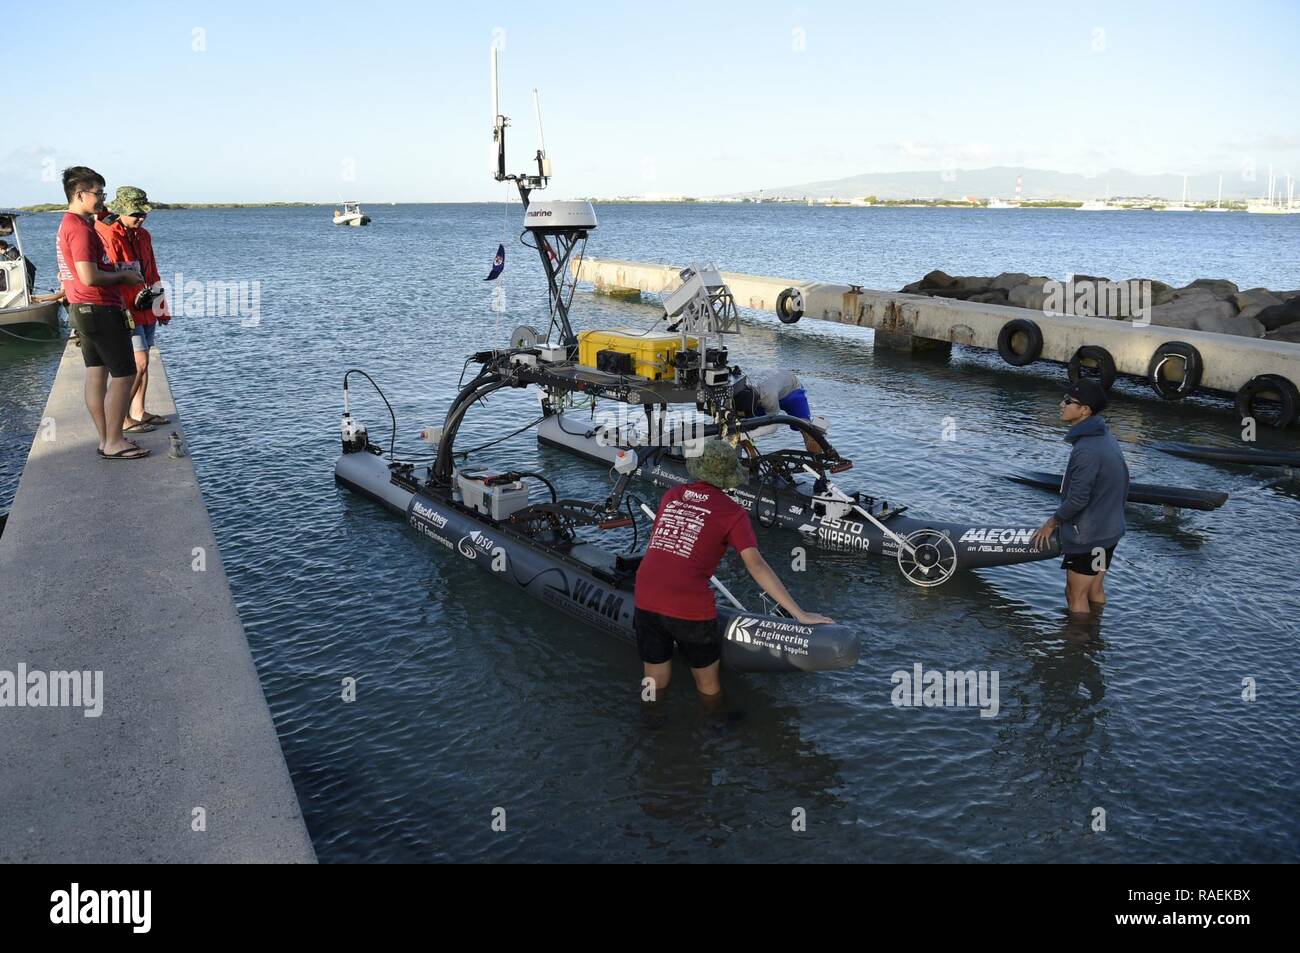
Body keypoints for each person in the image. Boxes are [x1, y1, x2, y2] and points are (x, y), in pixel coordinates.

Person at [634, 437, 833, 698]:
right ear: (729, 476)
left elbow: (664, 547)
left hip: (645, 595)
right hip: (687, 606)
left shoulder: (672, 496)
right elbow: (757, 566)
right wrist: (798, 613)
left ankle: (651, 727)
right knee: (707, 686)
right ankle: (716, 732)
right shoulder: (733, 513)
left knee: (654, 680)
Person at [55, 166, 148, 460]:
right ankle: (114, 441)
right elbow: (88, 276)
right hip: (99, 307)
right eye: (99, 193)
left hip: (81, 309)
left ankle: (106, 439)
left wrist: (115, 270)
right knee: (124, 374)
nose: (102, 198)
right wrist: (124, 276)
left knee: (96, 374)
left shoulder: (67, 224)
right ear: (80, 194)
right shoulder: (81, 229)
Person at [1031, 380, 1130, 615]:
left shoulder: (1086, 450)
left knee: (1075, 594)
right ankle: (1094, 641)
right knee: (1094, 589)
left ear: (1084, 410)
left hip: (1089, 537)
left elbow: (1077, 500)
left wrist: (1051, 523)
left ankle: (1076, 646)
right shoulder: (1105, 436)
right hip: (1109, 533)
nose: (1060, 404)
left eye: (1067, 401)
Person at [96, 186, 171, 432]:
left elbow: (152, 271)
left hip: (146, 306)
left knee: (145, 361)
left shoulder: (144, 235)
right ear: (120, 211)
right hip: (125, 309)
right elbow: (107, 274)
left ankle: (138, 410)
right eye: (135, 213)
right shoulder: (108, 234)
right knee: (138, 363)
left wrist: (161, 306)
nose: (140, 217)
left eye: (143, 213)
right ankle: (123, 418)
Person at [732, 367, 826, 454]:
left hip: (791, 392)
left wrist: (741, 436)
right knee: (743, 425)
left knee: (807, 430)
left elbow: (772, 427)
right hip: (763, 391)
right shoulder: (737, 389)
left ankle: (818, 430)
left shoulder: (768, 396)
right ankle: (752, 458)